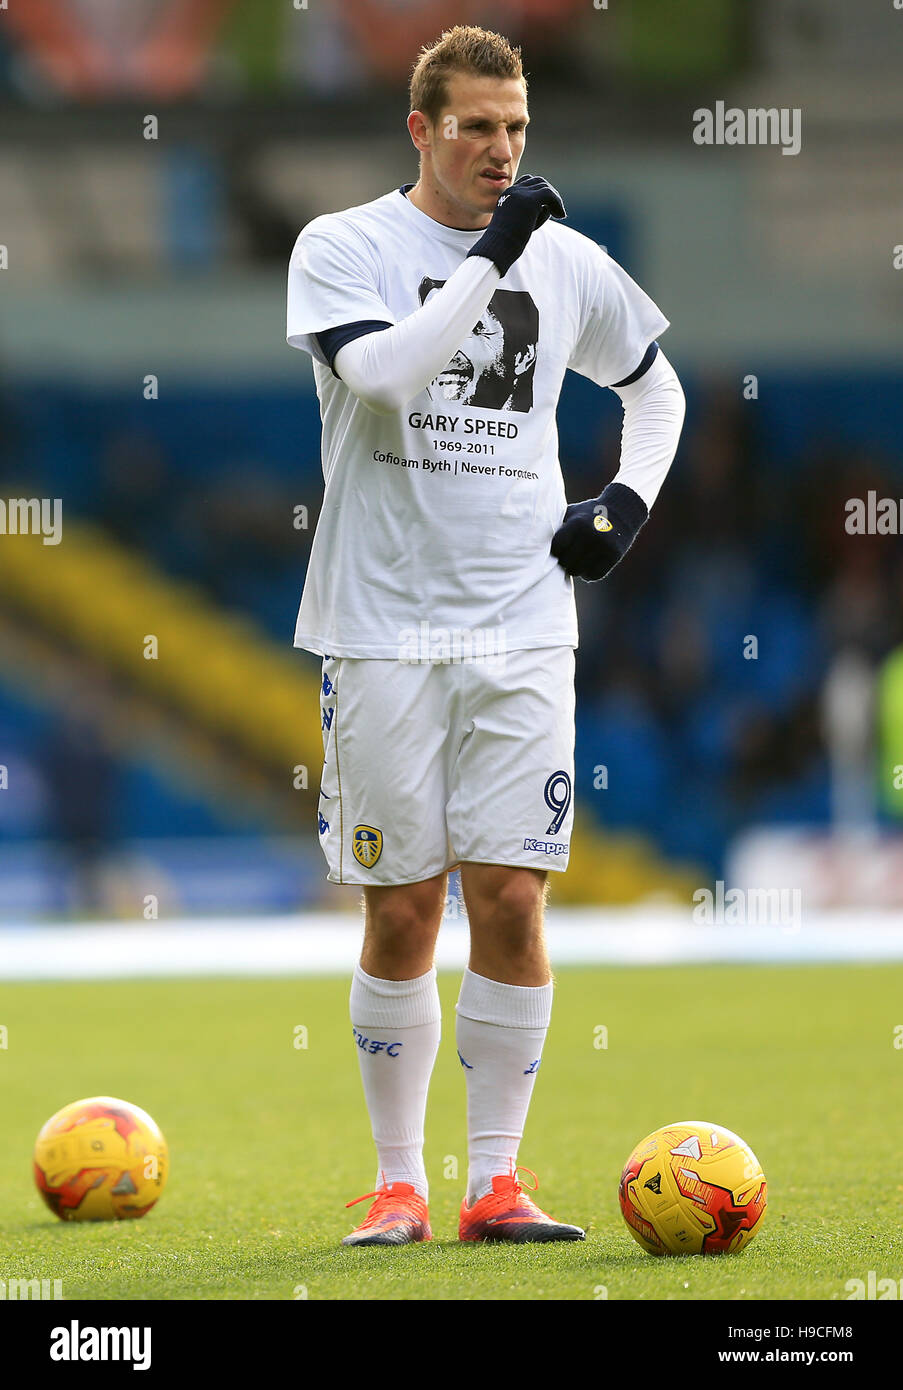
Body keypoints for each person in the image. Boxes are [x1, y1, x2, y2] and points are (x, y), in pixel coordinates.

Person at [286, 24, 685, 1246]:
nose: (500, 150)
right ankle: (398, 1180)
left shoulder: (564, 263)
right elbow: (393, 378)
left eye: (515, 127)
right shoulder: (344, 246)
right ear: (420, 129)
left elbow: (659, 384)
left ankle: (495, 1183)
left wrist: (623, 502)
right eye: (474, 127)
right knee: (403, 906)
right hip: (381, 625)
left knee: (511, 894)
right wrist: (493, 258)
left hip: (521, 624)